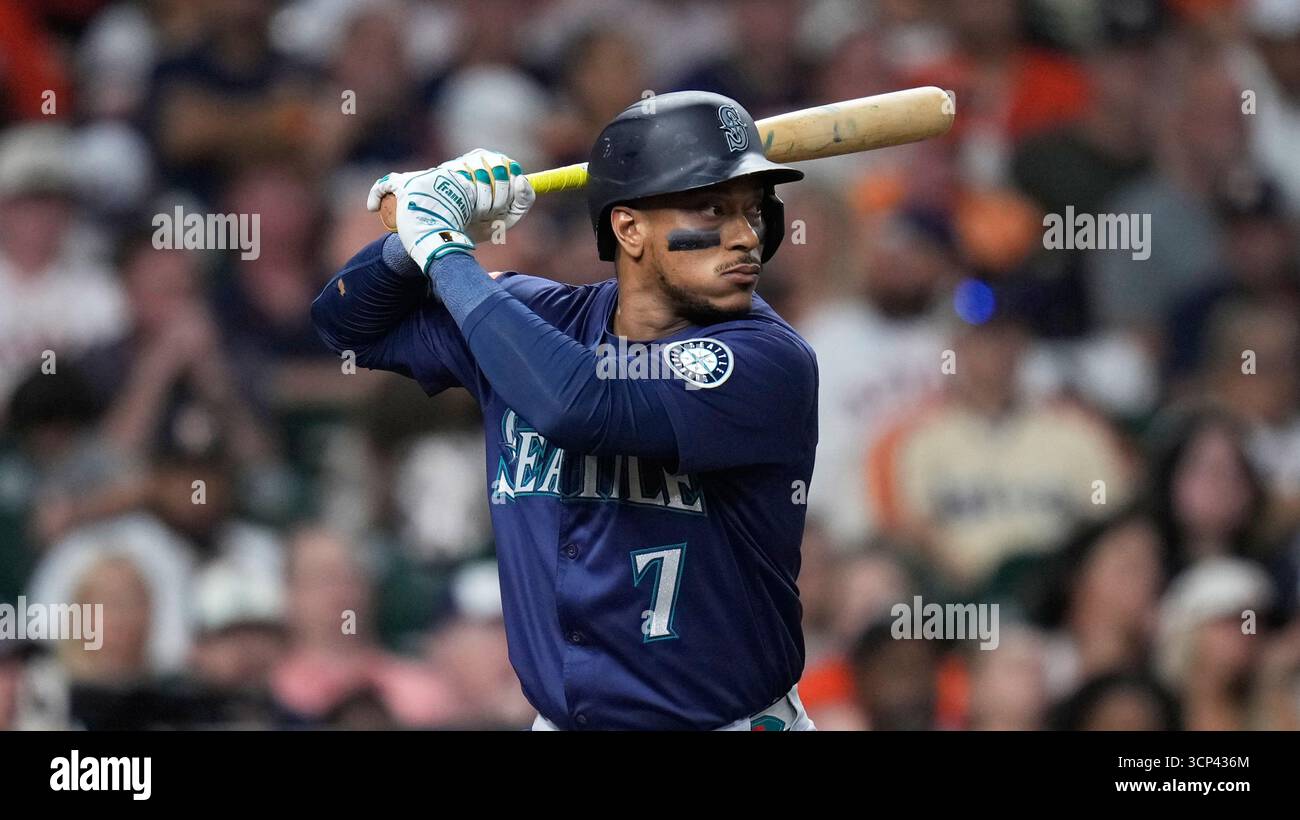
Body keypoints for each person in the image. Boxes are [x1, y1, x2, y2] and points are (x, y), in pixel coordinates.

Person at [312, 91, 819, 730]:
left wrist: (443, 250)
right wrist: (409, 237)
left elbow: (580, 404)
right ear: (629, 227)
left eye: (754, 212)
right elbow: (343, 322)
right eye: (712, 209)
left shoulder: (766, 360)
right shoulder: (536, 317)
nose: (746, 236)